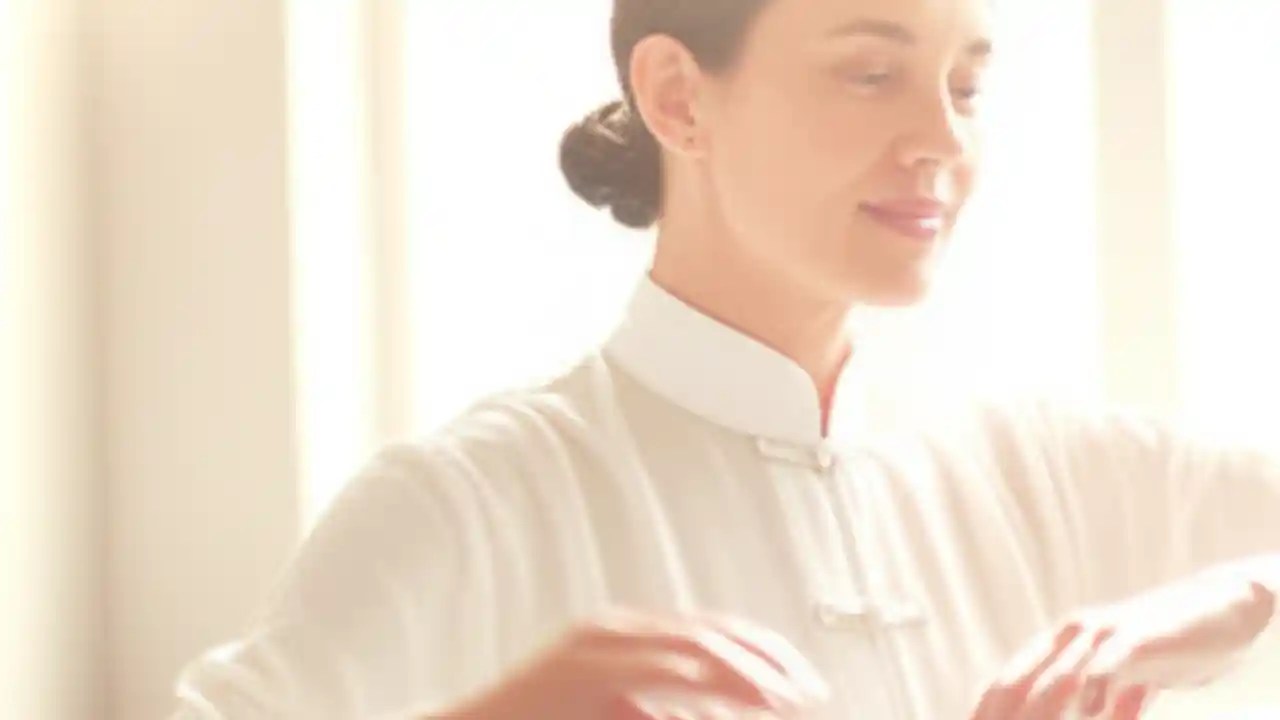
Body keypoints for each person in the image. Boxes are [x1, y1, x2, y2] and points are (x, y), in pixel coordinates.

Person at [172, 0, 1280, 718]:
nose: (943, 139)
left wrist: (1235, 597)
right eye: (868, 74)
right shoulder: (471, 504)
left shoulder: (1052, 469)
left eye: (965, 87)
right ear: (677, 98)